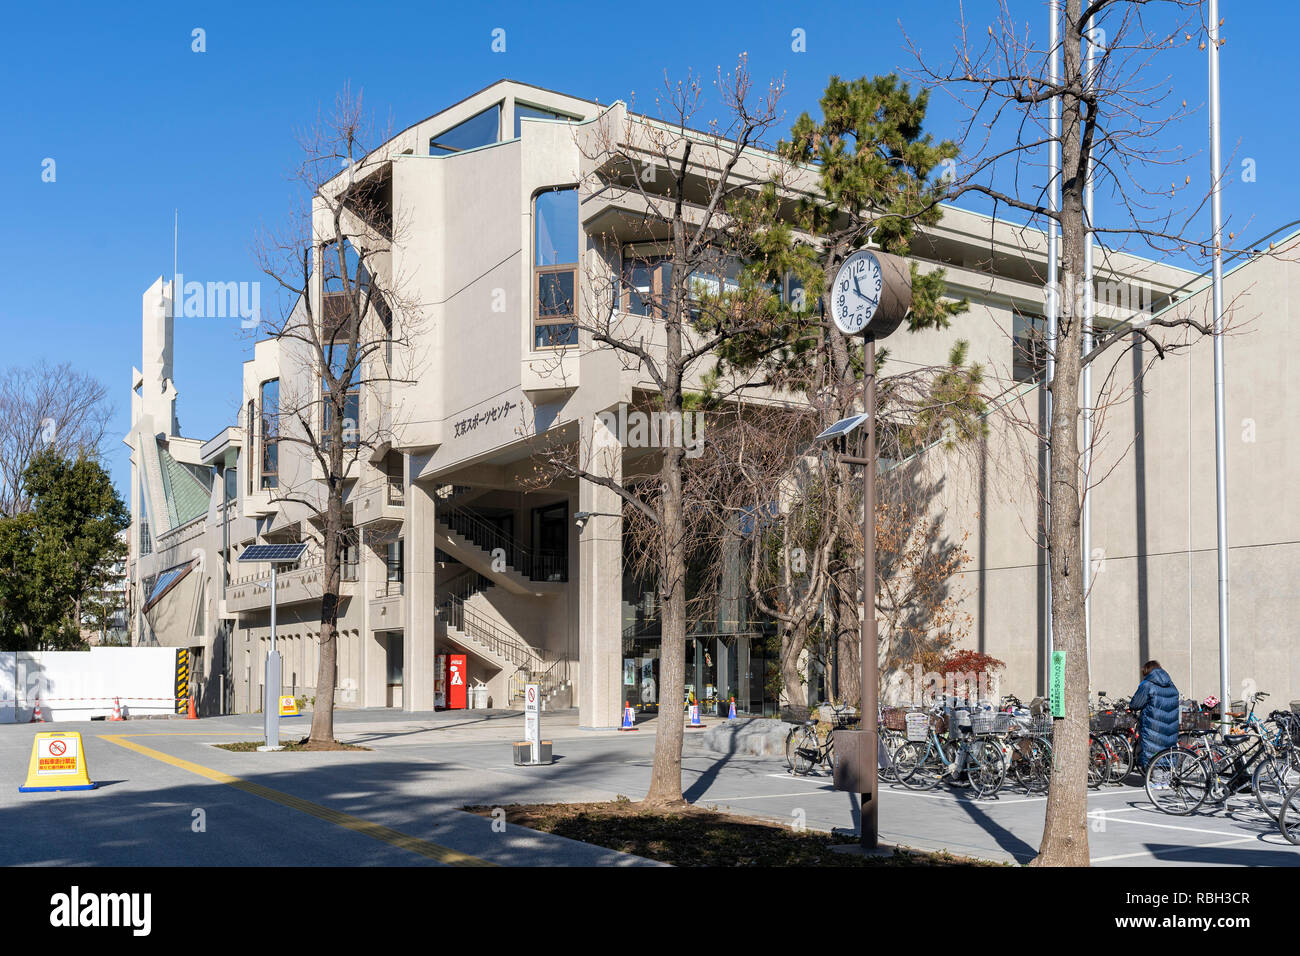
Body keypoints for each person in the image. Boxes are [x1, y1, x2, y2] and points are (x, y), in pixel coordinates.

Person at [1128, 660, 1180, 769]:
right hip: (1170, 725)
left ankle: (1156, 780)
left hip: (1153, 724)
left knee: (1152, 749)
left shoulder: (1147, 685)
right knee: (1167, 750)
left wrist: (1131, 707)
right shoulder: (1171, 685)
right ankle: (1165, 778)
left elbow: (1136, 704)